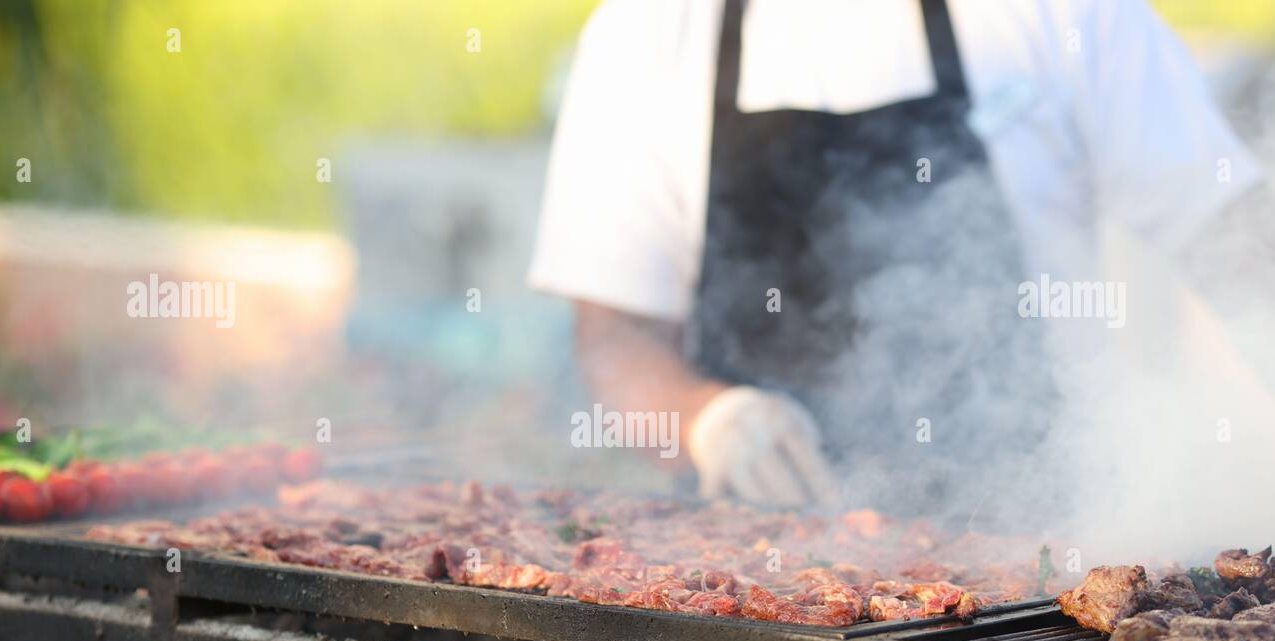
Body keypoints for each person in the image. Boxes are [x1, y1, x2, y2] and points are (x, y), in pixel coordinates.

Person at [530, 0, 1273, 513]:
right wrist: (706, 418)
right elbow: (614, 337)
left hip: (1039, 569)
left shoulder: (1062, 12)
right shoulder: (650, 32)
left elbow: (1231, 239)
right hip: (751, 588)